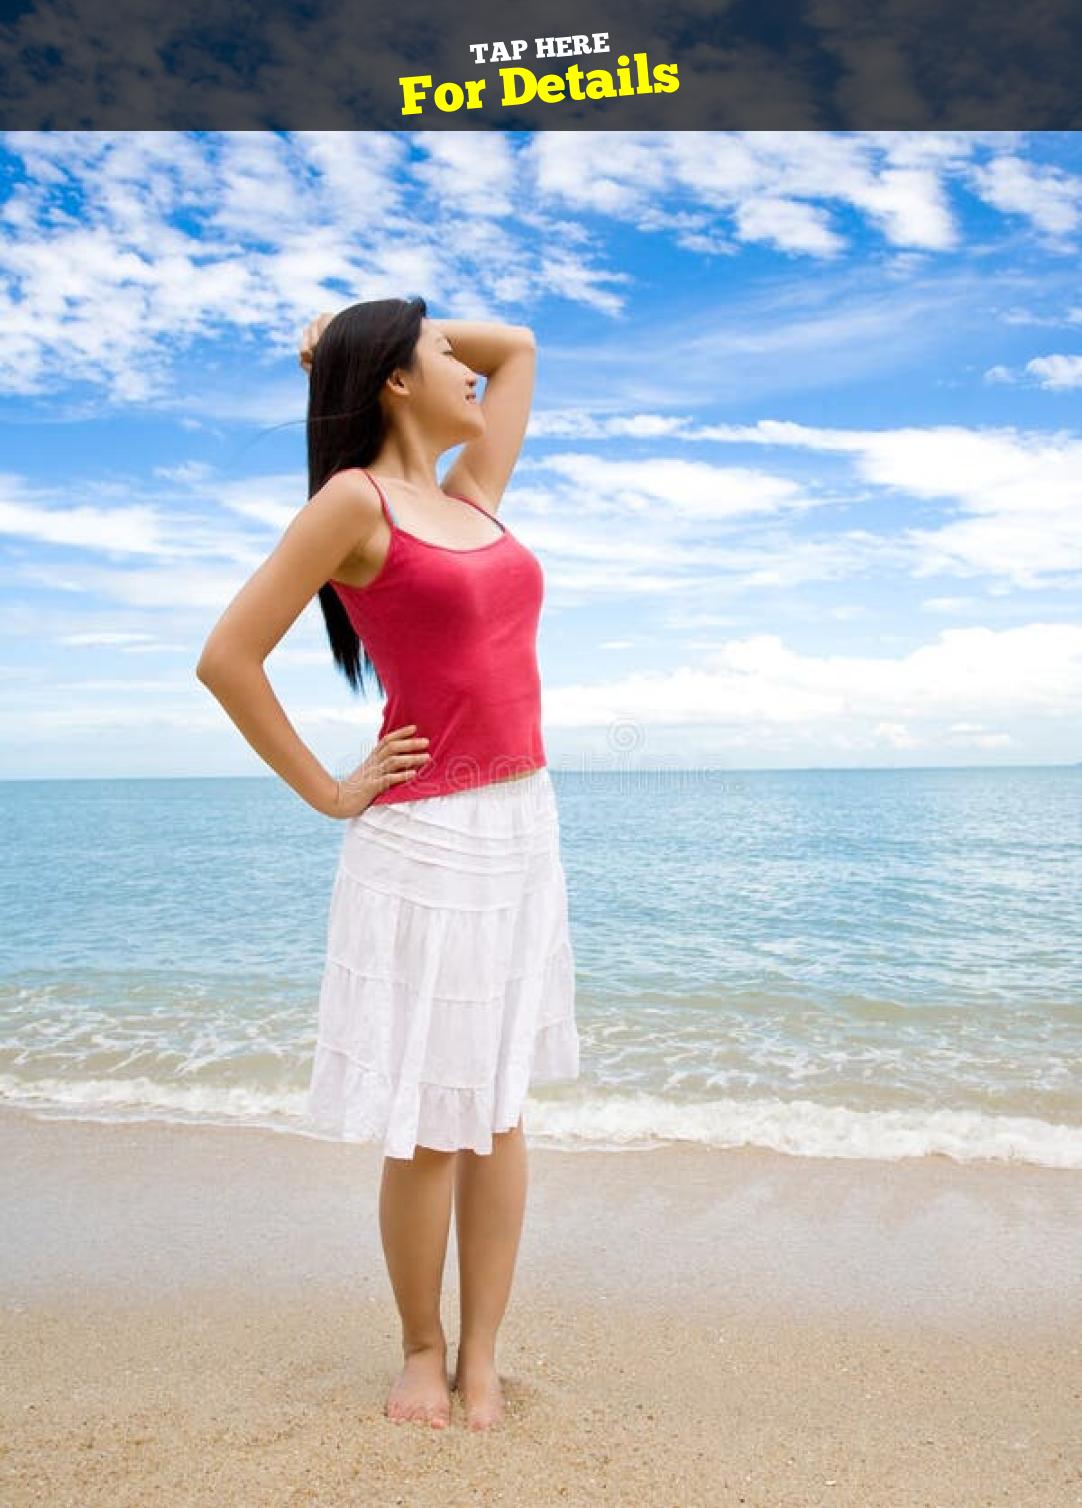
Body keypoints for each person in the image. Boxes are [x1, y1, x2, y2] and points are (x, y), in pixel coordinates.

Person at [194, 298, 580, 1433]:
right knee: (427, 1112)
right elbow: (226, 655)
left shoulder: (471, 496)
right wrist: (326, 787)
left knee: (497, 1103)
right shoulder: (352, 504)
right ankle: (421, 1346)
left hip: (521, 823)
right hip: (422, 837)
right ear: (398, 385)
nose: (468, 365)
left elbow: (519, 347)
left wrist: (361, 334)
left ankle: (484, 1356)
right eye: (438, 354)